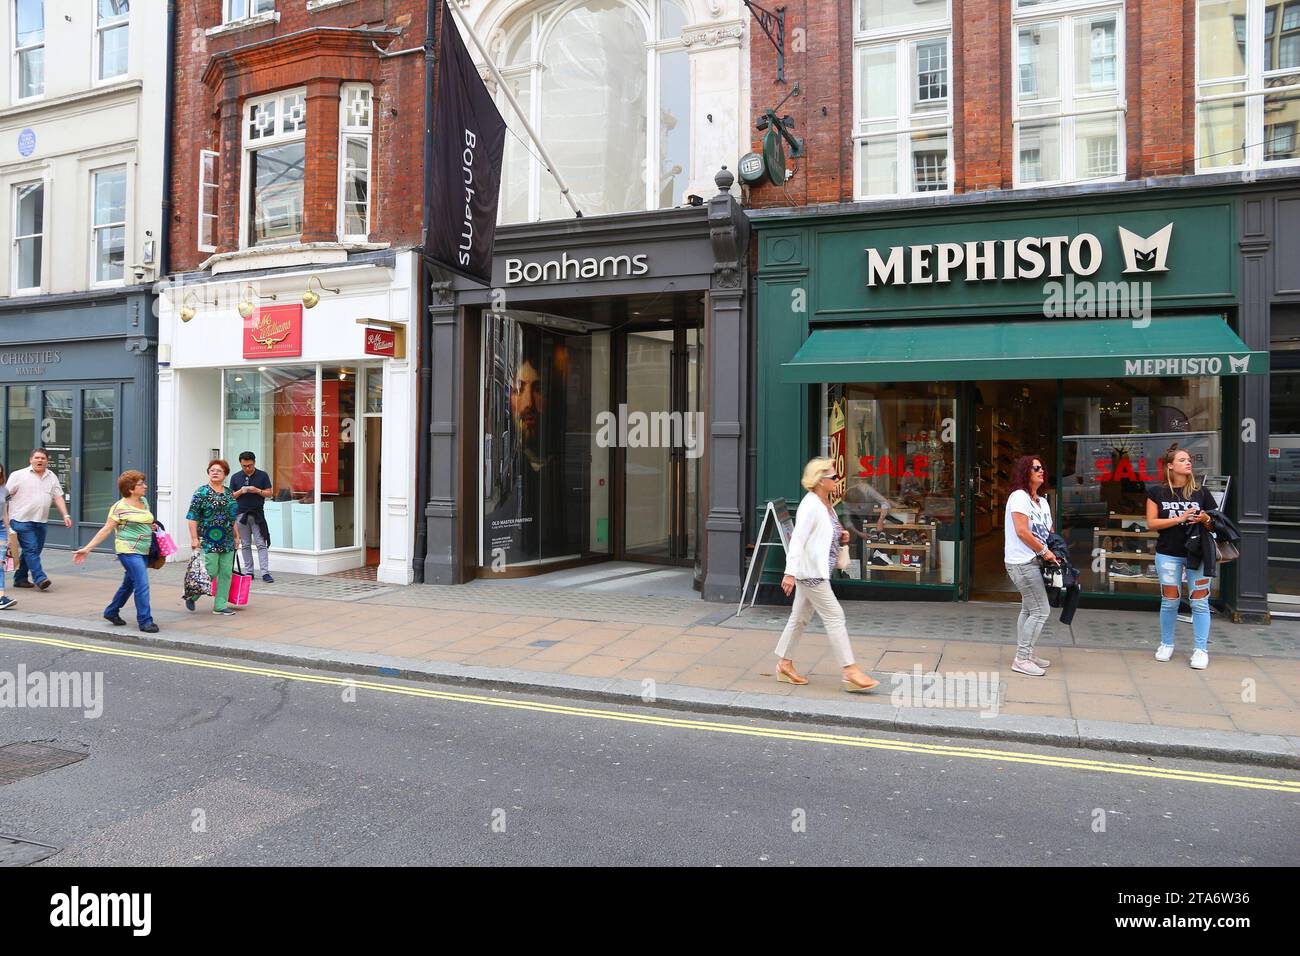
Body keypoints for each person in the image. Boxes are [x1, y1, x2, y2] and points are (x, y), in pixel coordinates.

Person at [774, 457, 880, 692]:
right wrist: (789, 573)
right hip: (811, 573)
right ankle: (850, 670)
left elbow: (822, 534)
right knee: (835, 616)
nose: (836, 480)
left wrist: (841, 537)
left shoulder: (826, 504)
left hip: (815, 570)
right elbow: (798, 540)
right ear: (820, 481)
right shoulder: (810, 505)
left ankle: (784, 663)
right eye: (832, 477)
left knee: (799, 618)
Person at [1146, 443, 1216, 669]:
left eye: (1189, 460)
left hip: (1198, 554)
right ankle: (1166, 644)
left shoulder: (1201, 492)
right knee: (1170, 601)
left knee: (1200, 602)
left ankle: (1201, 650)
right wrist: (1180, 518)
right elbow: (1151, 523)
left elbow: (1216, 523)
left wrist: (1204, 519)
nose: (1188, 463)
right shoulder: (1157, 492)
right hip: (1168, 553)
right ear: (1170, 466)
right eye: (1182, 460)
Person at [73, 471, 159, 633]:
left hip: (144, 550)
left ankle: (111, 611)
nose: (145, 486)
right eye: (141, 484)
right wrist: (87, 548)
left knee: (129, 584)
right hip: (127, 550)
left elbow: (145, 520)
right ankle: (145, 621)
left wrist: (151, 526)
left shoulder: (144, 502)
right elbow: (106, 529)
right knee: (142, 584)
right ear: (131, 488)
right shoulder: (119, 508)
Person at [1004, 454, 1059, 677]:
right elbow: (1022, 531)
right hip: (1022, 562)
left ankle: (1027, 652)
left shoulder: (1042, 501)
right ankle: (1022, 658)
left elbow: (1048, 531)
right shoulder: (1019, 497)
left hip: (1036, 561)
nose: (1040, 470)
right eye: (1035, 468)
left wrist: (1056, 550)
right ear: (1024, 472)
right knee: (1040, 610)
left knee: (1029, 608)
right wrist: (1044, 551)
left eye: (1042, 467)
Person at [8, 448, 74, 591]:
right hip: (21, 519)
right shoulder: (18, 475)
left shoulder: (52, 476)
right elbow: (5, 496)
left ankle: (20, 579)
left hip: (41, 521)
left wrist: (65, 515)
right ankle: (40, 578)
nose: (40, 460)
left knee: (33, 551)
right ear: (30, 460)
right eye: (37, 458)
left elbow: (57, 497)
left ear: (47, 461)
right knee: (31, 549)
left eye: (43, 458)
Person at [185, 459, 241, 616]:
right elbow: (192, 516)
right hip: (210, 538)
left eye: (219, 470)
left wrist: (237, 536)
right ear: (208, 472)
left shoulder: (229, 493)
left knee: (226, 572)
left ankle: (220, 605)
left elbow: (232, 518)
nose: (215, 472)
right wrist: (194, 538)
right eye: (212, 470)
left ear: (225, 475)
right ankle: (193, 594)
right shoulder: (201, 492)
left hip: (228, 538)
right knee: (211, 570)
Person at [231, 451, 273, 583]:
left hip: (257, 514)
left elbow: (270, 493)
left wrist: (257, 491)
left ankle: (265, 572)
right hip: (241, 514)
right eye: (244, 466)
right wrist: (241, 491)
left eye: (249, 465)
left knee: (261, 543)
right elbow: (230, 496)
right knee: (245, 544)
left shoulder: (262, 475)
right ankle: (249, 572)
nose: (247, 468)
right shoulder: (235, 477)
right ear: (240, 464)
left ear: (254, 462)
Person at [0, 463, 14, 611]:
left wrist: (9, 531)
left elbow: (4, 512)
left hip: (1, 529)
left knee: (0, 562)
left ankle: (1, 597)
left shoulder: (4, 489)